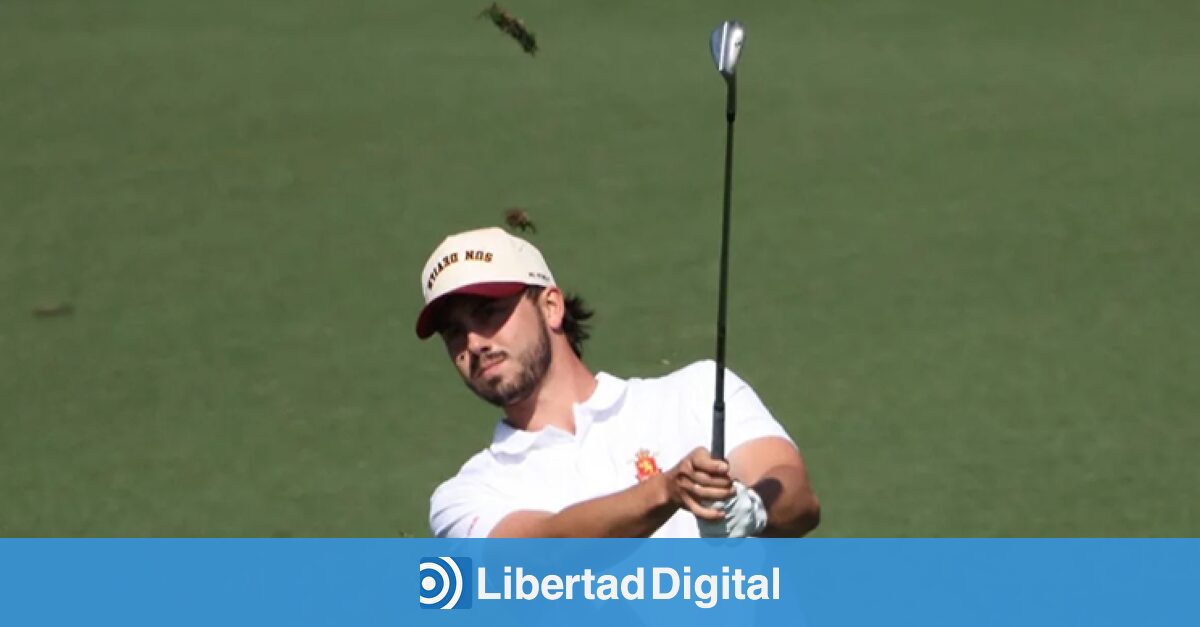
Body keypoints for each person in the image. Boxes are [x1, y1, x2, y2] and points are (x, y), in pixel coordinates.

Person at [415, 226, 820, 538]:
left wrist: (753, 507)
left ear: (551, 306)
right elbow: (542, 553)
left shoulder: (695, 391)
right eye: (454, 332)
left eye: (489, 313)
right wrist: (665, 491)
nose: (474, 343)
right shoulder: (464, 496)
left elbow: (797, 494)